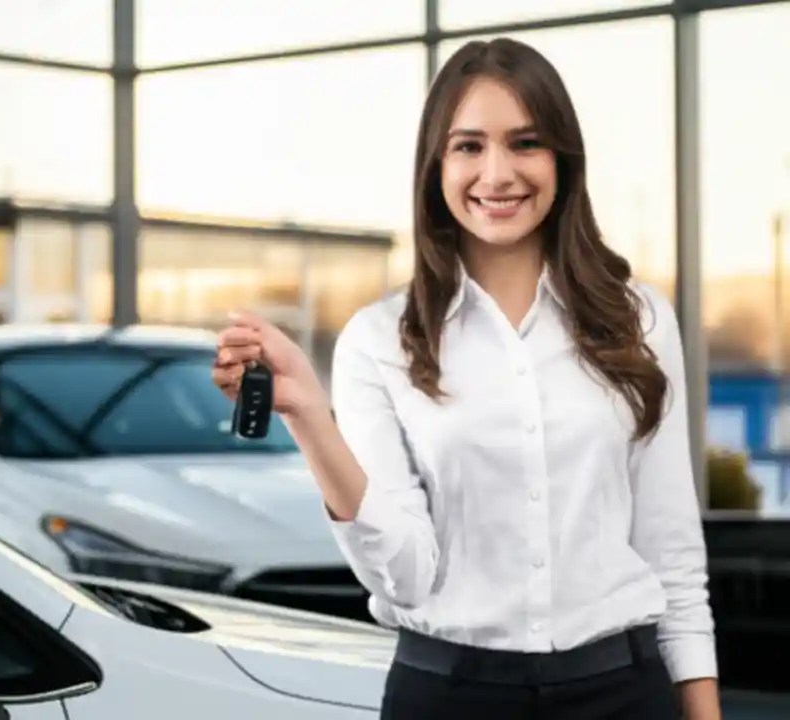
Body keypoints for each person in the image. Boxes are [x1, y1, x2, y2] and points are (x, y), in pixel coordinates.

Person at [212, 37, 720, 720]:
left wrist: (703, 707)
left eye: (526, 142)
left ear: (562, 160)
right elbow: (407, 574)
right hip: (448, 697)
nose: (499, 172)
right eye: (469, 146)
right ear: (436, 166)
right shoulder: (378, 340)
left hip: (624, 693)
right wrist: (309, 414)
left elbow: (673, 554)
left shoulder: (639, 320)